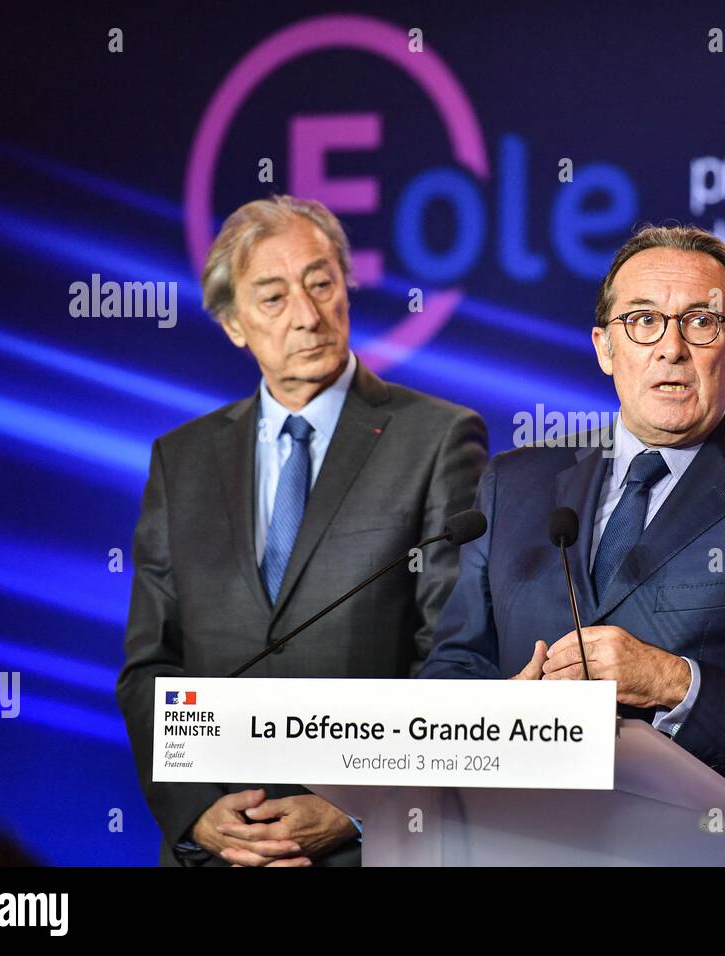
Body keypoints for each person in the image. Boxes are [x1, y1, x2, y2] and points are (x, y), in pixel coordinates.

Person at [419, 224, 725, 865]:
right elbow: (454, 670)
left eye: (701, 323)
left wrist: (671, 682)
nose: (671, 349)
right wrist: (499, 717)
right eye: (642, 321)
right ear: (604, 348)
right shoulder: (514, 484)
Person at [117, 195, 488, 867]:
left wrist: (356, 808)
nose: (308, 316)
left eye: (321, 283)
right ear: (233, 323)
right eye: (273, 297)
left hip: (369, 850)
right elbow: (151, 665)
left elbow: (452, 659)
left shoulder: (437, 439)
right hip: (214, 853)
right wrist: (198, 811)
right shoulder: (182, 459)